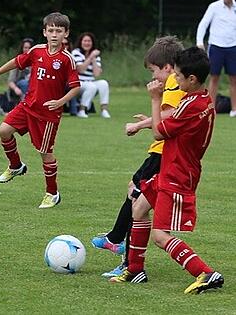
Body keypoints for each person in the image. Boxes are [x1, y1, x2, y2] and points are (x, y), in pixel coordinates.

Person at [110, 47, 223, 295]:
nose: (176, 79)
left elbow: (160, 132)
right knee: (139, 208)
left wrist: (154, 99)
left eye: (179, 76)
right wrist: (150, 117)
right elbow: (169, 120)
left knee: (159, 236)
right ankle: (135, 270)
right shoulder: (202, 101)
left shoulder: (191, 105)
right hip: (172, 168)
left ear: (192, 79)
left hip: (178, 174)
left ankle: (205, 272)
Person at [90, 36, 185, 278]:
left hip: (163, 154)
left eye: (154, 71)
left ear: (168, 67)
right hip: (161, 153)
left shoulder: (173, 82)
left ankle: (123, 254)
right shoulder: (172, 82)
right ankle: (118, 242)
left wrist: (140, 126)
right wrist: (148, 118)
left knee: (136, 199)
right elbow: (168, 115)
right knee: (134, 191)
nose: (154, 78)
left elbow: (170, 116)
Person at [0, 12, 81, 208]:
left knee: (45, 153)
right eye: (50, 30)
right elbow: (17, 61)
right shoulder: (36, 51)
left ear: (65, 34)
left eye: (58, 31)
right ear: (44, 32)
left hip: (47, 114)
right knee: (3, 131)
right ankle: (16, 165)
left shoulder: (67, 59)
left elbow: (76, 87)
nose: (54, 34)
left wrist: (61, 101)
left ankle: (52, 193)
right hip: (27, 106)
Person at [196, 0, 236, 117]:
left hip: (233, 47)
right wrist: (199, 42)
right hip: (216, 47)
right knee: (214, 78)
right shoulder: (214, 7)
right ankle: (211, 108)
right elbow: (203, 24)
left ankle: (234, 109)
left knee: (234, 79)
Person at [71, 32, 111, 118]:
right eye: (85, 41)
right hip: (78, 83)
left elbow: (96, 74)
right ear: (81, 42)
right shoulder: (76, 53)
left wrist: (93, 59)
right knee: (91, 86)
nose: (87, 43)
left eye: (89, 41)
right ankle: (82, 110)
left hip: (90, 82)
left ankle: (104, 110)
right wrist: (90, 57)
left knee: (103, 83)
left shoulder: (95, 55)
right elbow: (80, 69)